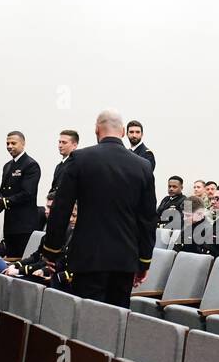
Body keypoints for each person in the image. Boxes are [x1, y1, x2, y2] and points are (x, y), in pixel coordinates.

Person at [41, 109, 156, 308]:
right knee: (117, 324)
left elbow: (61, 209)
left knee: (87, 322)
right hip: (125, 260)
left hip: (88, 257)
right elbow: (147, 219)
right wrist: (144, 261)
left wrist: (51, 251)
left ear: (96, 130)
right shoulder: (143, 166)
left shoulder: (80, 159)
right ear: (122, 132)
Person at [0, 130, 41, 258]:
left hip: (24, 225)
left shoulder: (31, 165)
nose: (9, 146)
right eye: (7, 143)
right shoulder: (7, 166)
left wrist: (1, 202)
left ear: (23, 144)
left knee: (21, 259)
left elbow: (27, 194)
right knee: (9, 258)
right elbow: (3, 190)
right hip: (10, 223)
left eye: (13, 143)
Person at [49, 128, 79, 201]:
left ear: (74, 145)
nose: (60, 145)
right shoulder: (59, 166)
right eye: (59, 142)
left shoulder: (77, 164)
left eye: (64, 142)